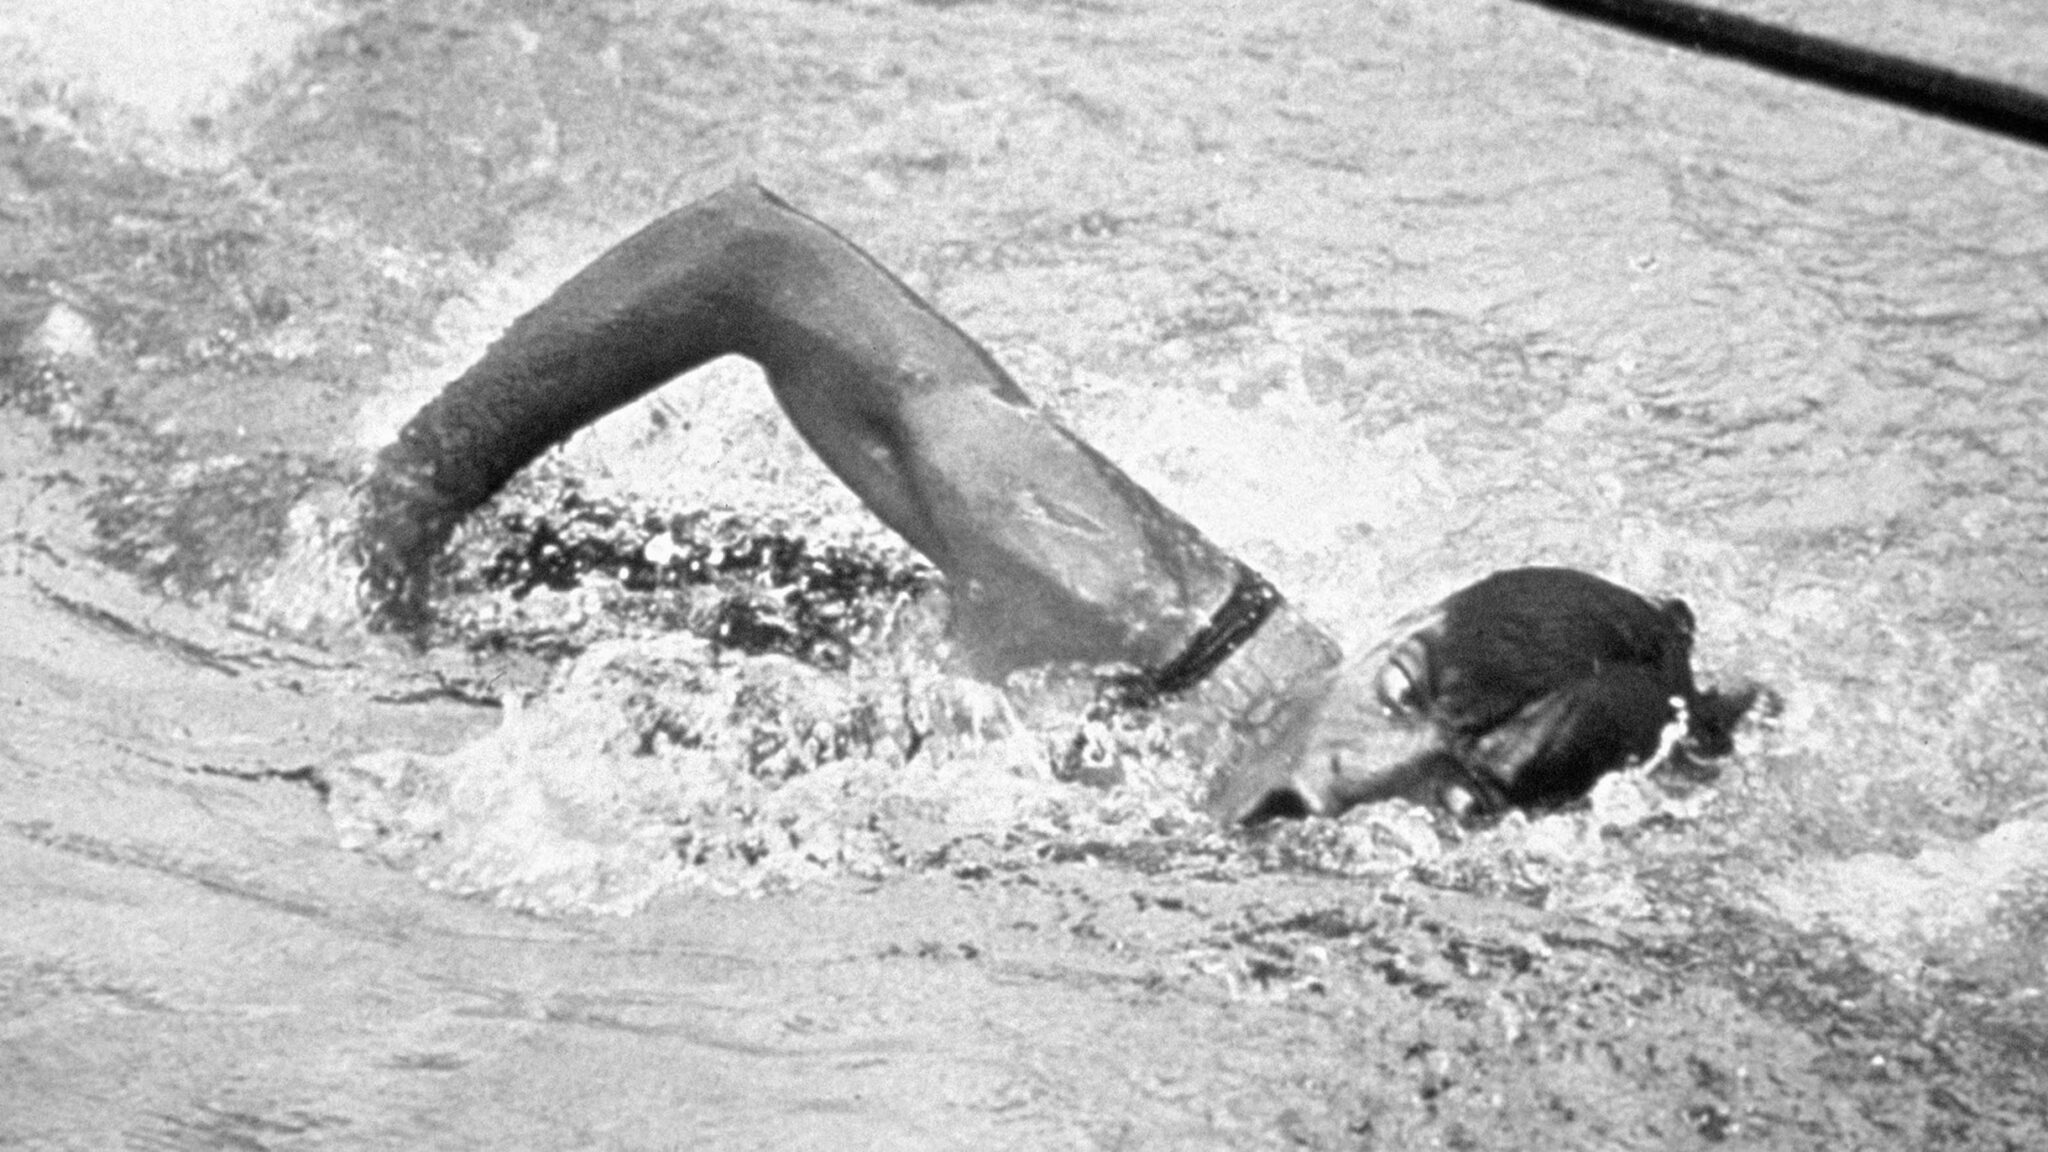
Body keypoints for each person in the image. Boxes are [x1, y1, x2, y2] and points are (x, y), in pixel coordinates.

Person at [358, 180, 1757, 824]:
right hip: (562, 609)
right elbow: (746, 254)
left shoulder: (1414, 859)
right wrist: (409, 508)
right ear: (1405, 622)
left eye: (1463, 789)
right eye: (1399, 693)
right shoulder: (1106, 588)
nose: (1360, 780)